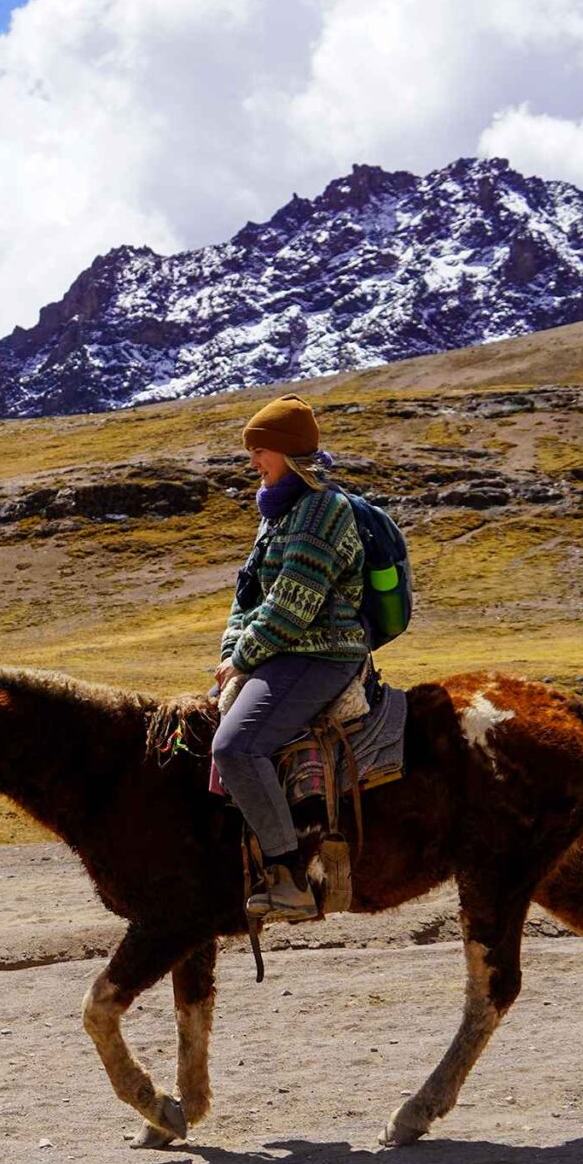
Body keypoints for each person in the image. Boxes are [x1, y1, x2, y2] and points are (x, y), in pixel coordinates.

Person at [214, 394, 372, 922]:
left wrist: (243, 659)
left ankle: (289, 876)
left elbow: (294, 603)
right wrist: (230, 656)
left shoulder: (323, 511)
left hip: (321, 654)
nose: (253, 462)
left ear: (288, 453)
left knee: (236, 747)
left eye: (261, 451)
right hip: (282, 652)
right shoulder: (276, 515)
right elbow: (248, 599)